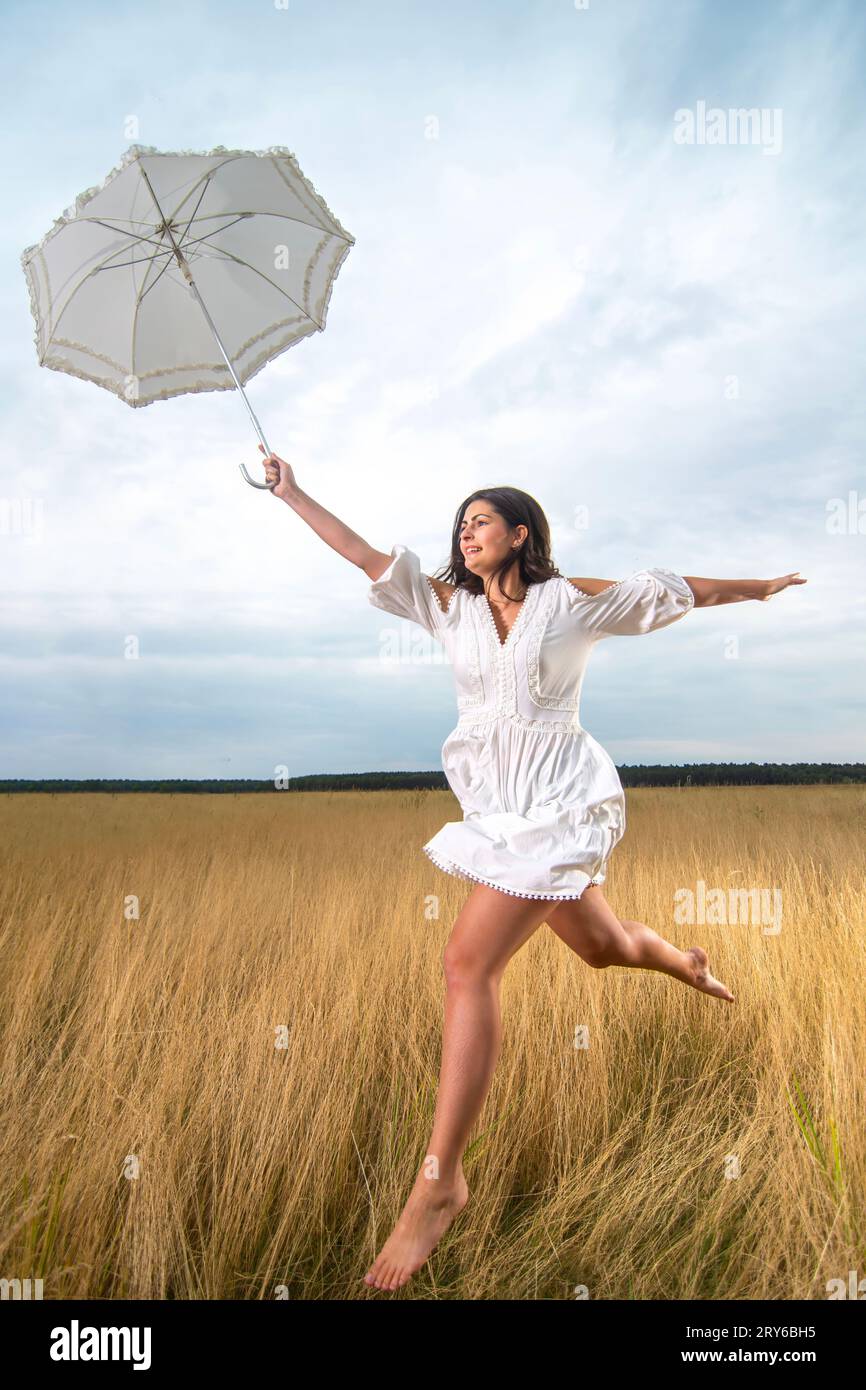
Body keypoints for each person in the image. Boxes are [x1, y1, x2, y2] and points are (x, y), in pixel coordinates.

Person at [258, 446, 807, 1293]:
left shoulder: (564, 600)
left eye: (482, 521)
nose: (466, 532)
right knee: (601, 947)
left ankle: (439, 1184)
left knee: (466, 964)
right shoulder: (448, 607)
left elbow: (670, 592)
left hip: (559, 803)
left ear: (520, 533)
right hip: (496, 811)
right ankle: (681, 960)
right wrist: (293, 494)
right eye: (461, 524)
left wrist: (758, 588)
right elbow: (363, 554)